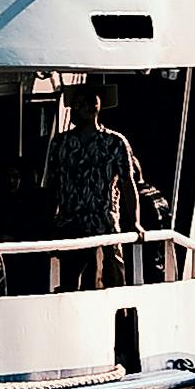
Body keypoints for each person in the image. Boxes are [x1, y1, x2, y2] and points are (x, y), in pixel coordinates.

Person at [40, 83, 148, 286]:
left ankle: (120, 316)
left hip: (104, 223)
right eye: (75, 105)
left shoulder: (114, 143)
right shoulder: (61, 143)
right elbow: (53, 186)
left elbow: (127, 182)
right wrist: (49, 223)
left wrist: (135, 222)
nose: (75, 110)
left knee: (113, 278)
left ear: (93, 108)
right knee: (70, 281)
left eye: (80, 105)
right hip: (70, 223)